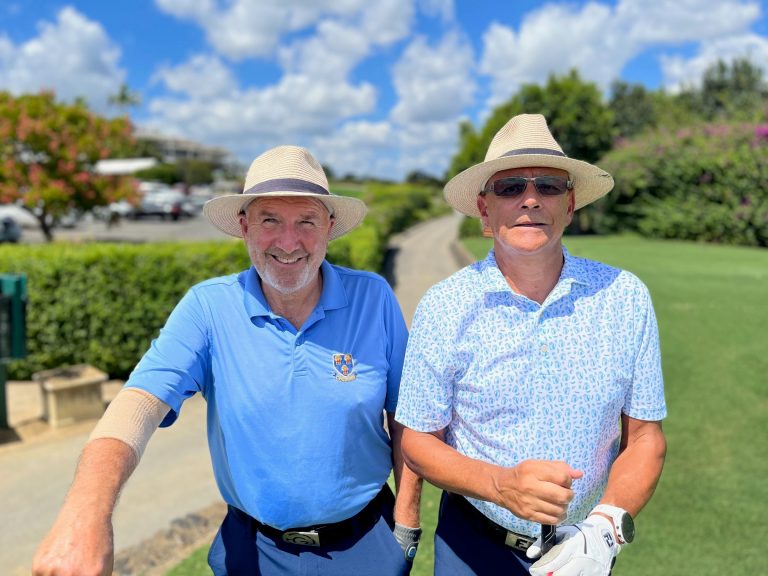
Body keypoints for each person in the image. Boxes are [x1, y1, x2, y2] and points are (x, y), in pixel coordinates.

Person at [33, 145, 422, 576]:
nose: (288, 242)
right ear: (243, 227)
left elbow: (406, 417)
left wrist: (405, 526)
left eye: (306, 221)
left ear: (329, 227)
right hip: (254, 550)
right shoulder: (208, 307)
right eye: (269, 220)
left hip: (366, 543)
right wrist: (87, 513)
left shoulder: (373, 298)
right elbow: (138, 403)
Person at [395, 114, 667, 575]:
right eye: (509, 188)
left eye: (548, 185)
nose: (530, 199)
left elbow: (645, 438)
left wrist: (604, 529)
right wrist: (501, 485)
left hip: (584, 547)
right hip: (472, 544)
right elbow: (419, 441)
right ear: (484, 209)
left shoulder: (625, 296)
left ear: (571, 202)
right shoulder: (444, 305)